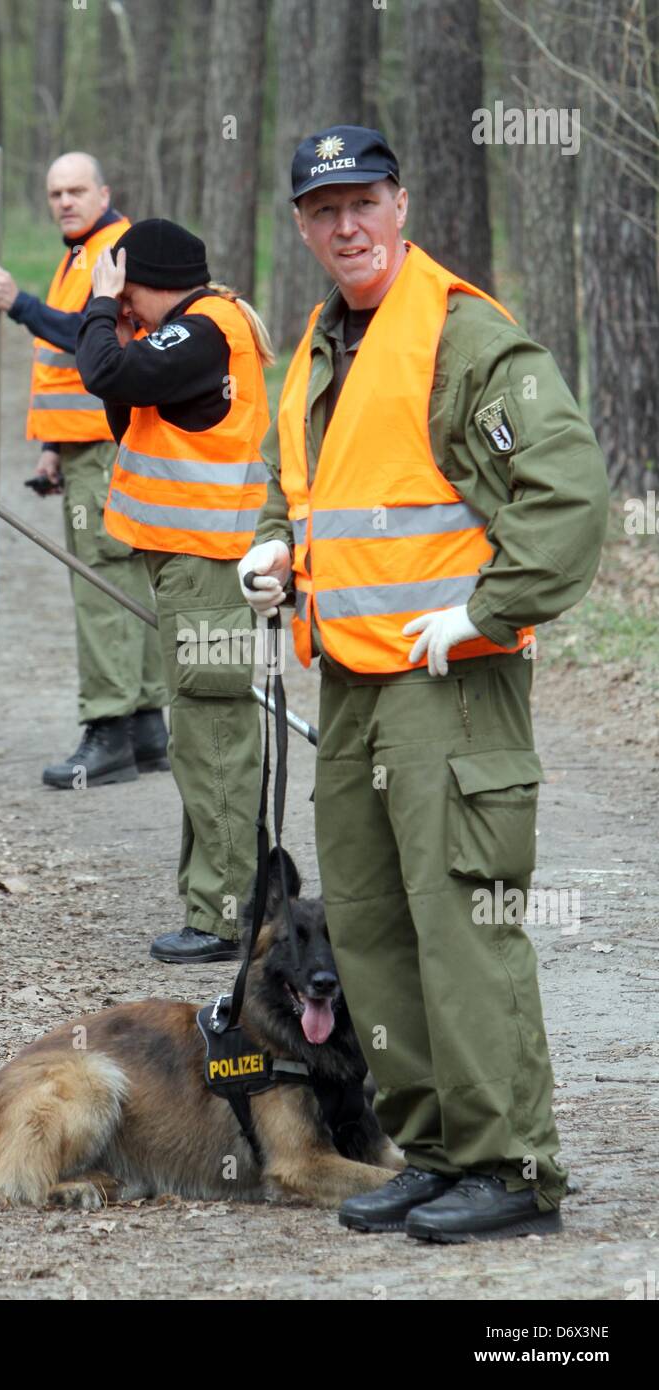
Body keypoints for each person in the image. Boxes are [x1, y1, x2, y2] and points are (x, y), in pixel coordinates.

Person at [238, 126, 609, 1242]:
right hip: (352, 681)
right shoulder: (317, 345)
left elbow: (569, 496)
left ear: (400, 204)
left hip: (448, 682)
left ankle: (511, 1164)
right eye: (322, 210)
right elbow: (300, 491)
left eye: (362, 202)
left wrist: (483, 614)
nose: (344, 225)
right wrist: (273, 552)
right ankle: (436, 1147)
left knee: (458, 922)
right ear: (302, 226)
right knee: (367, 925)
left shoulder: (461, 333)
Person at [76, 219, 272, 964]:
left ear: (147, 280)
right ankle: (220, 901)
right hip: (192, 561)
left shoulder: (206, 330)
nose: (121, 309)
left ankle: (226, 917)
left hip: (208, 562)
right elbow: (127, 407)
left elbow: (108, 375)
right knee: (200, 734)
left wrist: (101, 307)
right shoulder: (196, 331)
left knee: (213, 738)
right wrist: (113, 322)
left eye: (126, 294)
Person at [0, 151, 168, 789]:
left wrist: (20, 305)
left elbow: (88, 334)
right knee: (123, 575)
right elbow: (70, 368)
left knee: (102, 582)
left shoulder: (116, 248)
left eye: (76, 190)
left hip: (108, 443)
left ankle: (110, 728)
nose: (64, 200)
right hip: (83, 444)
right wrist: (52, 447)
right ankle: (146, 727)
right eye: (55, 191)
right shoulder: (81, 250)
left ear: (104, 191)